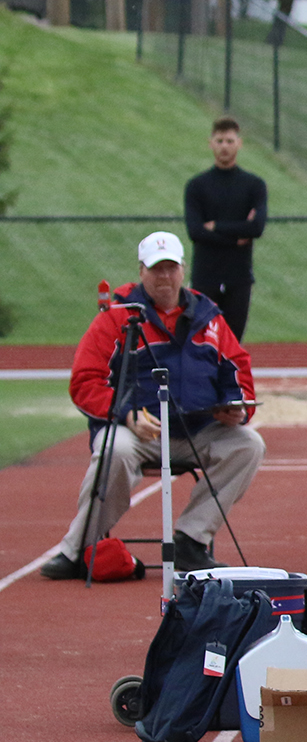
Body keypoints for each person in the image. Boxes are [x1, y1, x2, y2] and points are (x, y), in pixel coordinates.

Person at [40, 231, 263, 579]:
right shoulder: (115, 318)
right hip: (136, 430)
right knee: (115, 451)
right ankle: (77, 549)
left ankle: (191, 540)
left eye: (171, 268)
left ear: (183, 270)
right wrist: (126, 416)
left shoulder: (210, 317)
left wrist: (235, 407)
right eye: (156, 269)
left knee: (249, 444)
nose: (164, 277)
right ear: (141, 271)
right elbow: (85, 381)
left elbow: (238, 371)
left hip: (198, 429)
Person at [183, 117, 268, 340]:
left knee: (232, 342)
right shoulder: (197, 186)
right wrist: (236, 236)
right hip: (206, 276)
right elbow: (195, 232)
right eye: (219, 141)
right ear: (210, 143)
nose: (224, 146)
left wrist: (217, 227)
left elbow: (257, 228)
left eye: (230, 141)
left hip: (238, 277)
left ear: (239, 143)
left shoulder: (254, 185)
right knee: (202, 340)